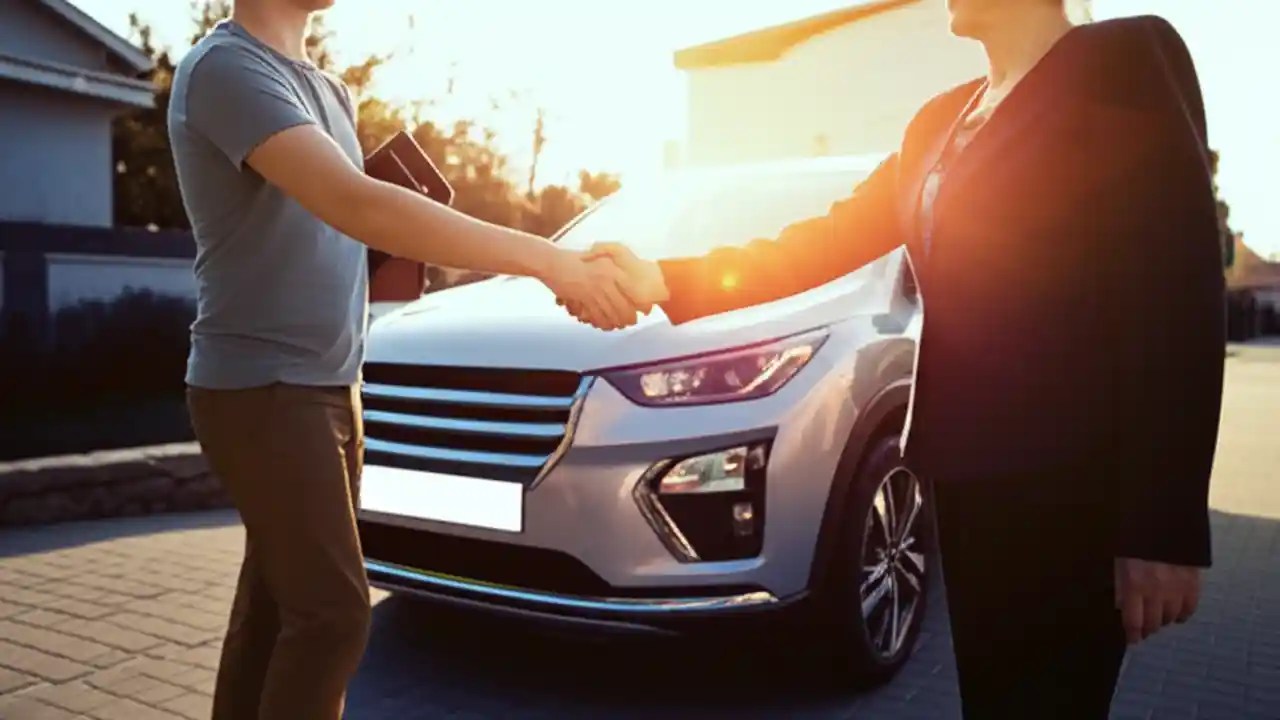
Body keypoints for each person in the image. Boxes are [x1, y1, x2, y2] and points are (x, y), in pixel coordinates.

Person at [579, 2, 1225, 717]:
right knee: (992, 699)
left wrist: (1163, 527)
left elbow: (1178, 294)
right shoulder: (940, 120)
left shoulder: (1124, 57)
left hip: (1076, 489)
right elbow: (826, 238)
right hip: (966, 476)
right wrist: (669, 278)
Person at [167, 0, 638, 717]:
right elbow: (358, 203)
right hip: (263, 390)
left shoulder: (327, 90)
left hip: (331, 384)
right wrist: (550, 262)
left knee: (276, 611)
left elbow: (340, 232)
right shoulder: (225, 69)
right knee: (333, 618)